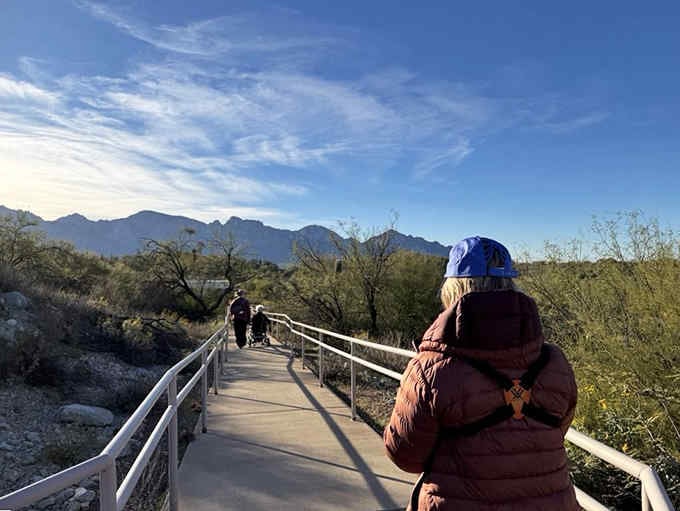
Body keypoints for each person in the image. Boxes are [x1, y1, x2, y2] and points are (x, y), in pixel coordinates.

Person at [383, 236, 579, 511]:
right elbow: (554, 431)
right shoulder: (554, 362)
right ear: (510, 284)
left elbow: (405, 455)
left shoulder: (431, 369)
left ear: (453, 288)